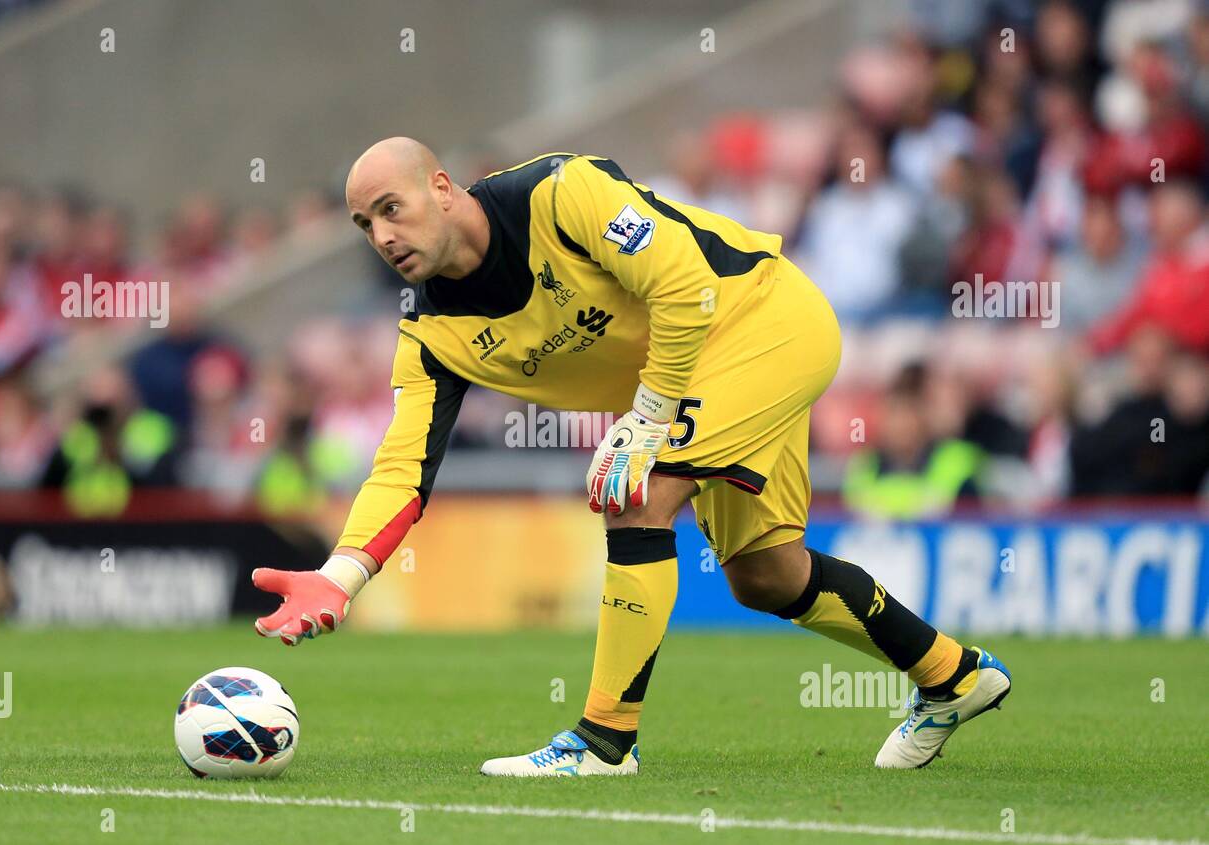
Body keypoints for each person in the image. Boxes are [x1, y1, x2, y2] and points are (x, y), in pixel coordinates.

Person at [251, 137, 1012, 774]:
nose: (382, 235)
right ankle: (953, 675)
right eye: (364, 224)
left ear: (442, 188)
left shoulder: (561, 192)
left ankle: (603, 740)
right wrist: (340, 574)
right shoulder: (430, 335)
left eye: (393, 208)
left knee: (635, 497)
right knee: (765, 577)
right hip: (693, 384)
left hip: (764, 322)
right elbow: (402, 468)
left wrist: (647, 418)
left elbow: (685, 287)